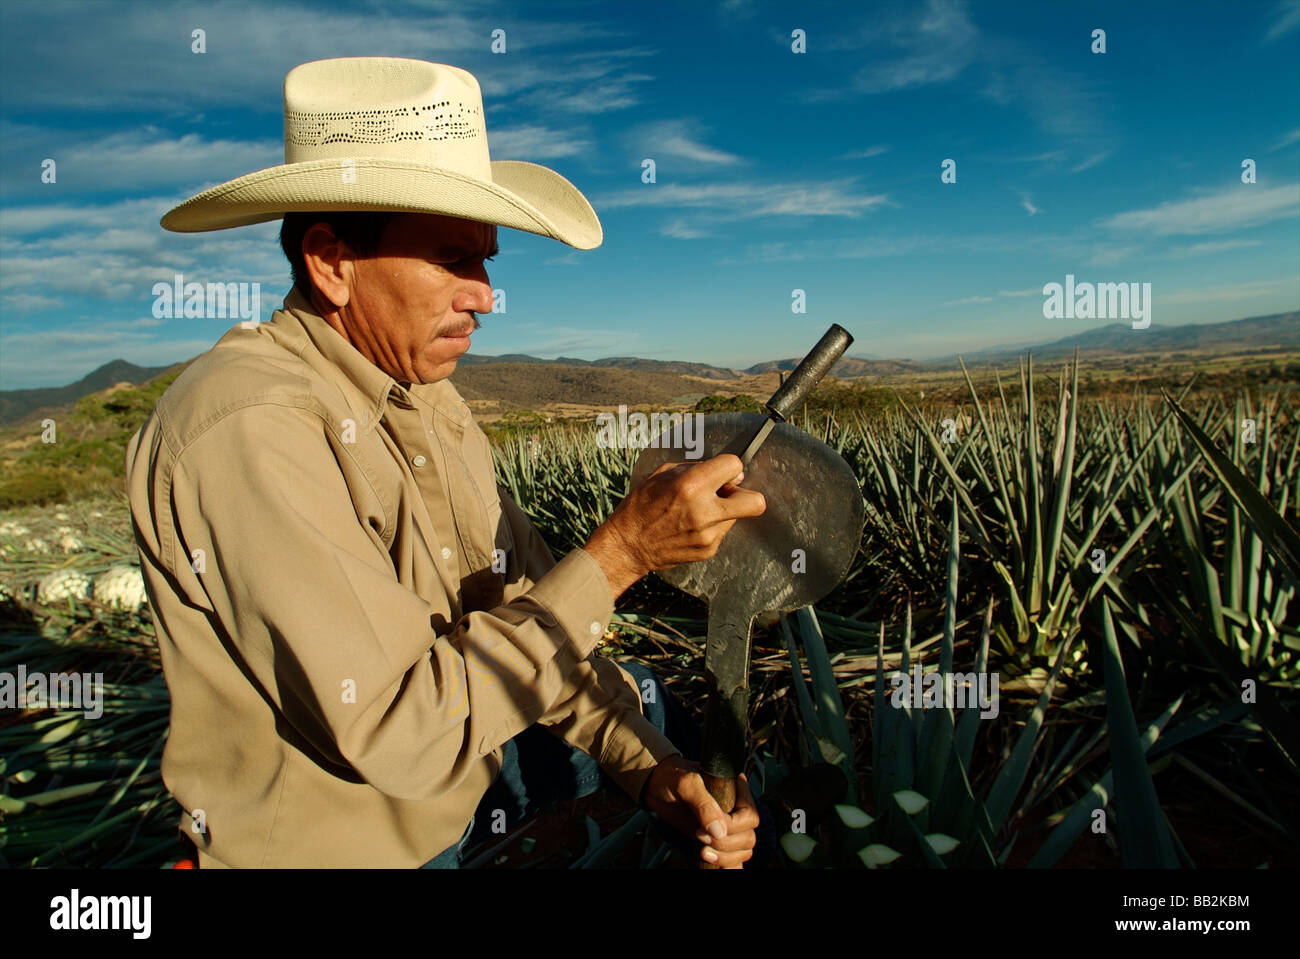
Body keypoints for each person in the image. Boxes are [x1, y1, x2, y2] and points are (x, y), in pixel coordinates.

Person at [126, 56, 773, 869]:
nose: (484, 295)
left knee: (665, 723)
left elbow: (531, 612)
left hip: (466, 781)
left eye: (487, 261)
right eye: (452, 258)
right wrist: (626, 551)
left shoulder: (432, 401)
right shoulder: (250, 426)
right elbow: (402, 732)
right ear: (331, 261)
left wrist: (652, 770)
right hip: (351, 847)